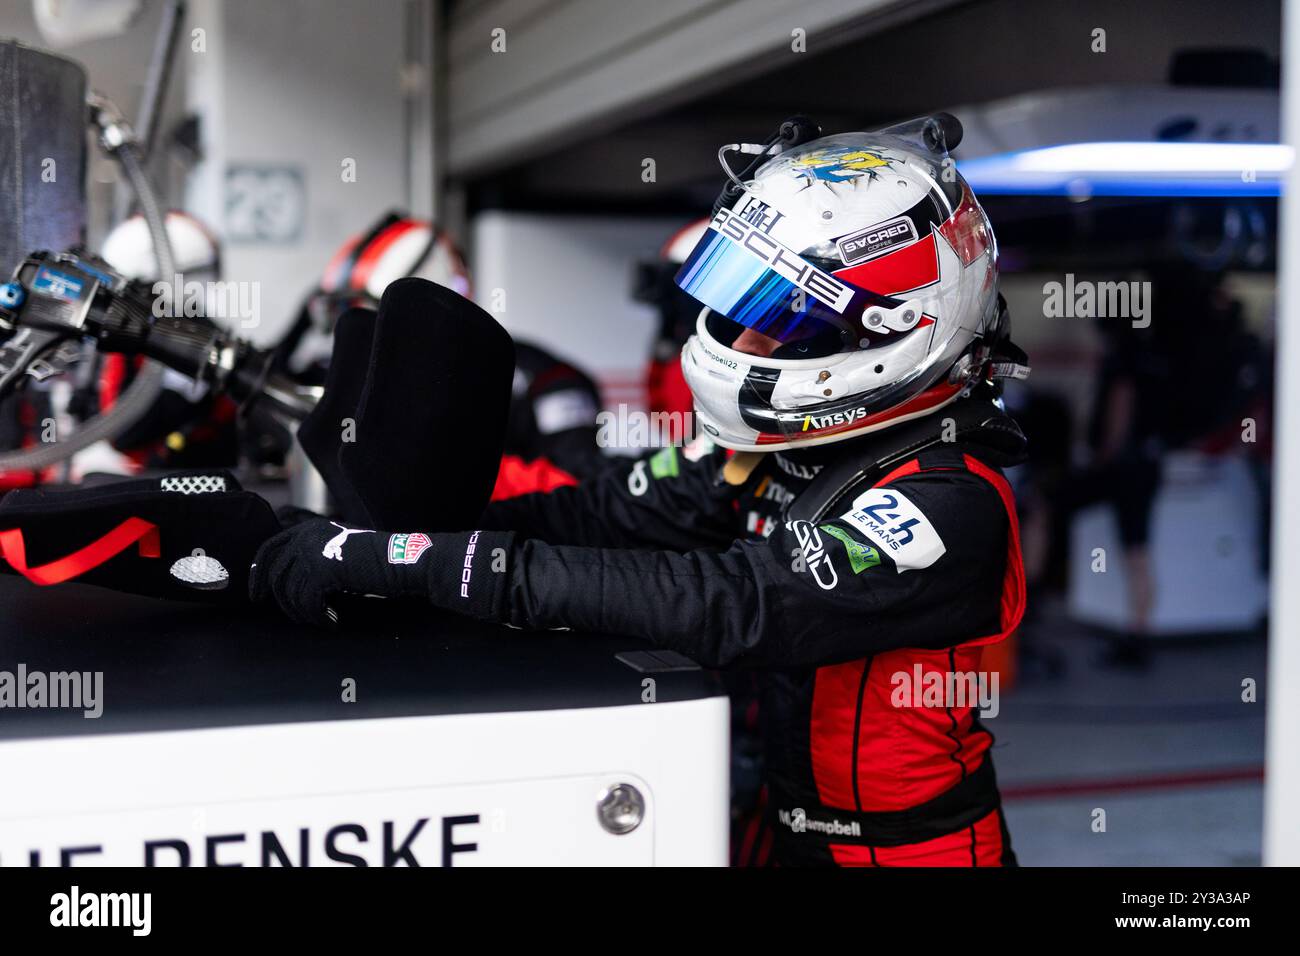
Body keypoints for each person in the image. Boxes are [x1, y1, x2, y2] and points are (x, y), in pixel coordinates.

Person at [250, 118, 1031, 866]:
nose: (742, 338)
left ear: (889, 329)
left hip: (906, 853)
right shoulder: (771, 449)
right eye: (738, 304)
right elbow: (600, 512)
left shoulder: (954, 498)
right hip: (766, 820)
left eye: (781, 318)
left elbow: (735, 604)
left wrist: (435, 566)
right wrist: (394, 549)